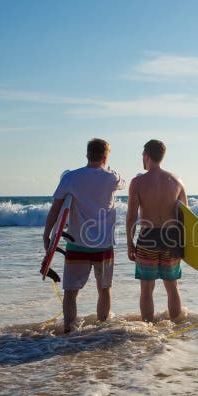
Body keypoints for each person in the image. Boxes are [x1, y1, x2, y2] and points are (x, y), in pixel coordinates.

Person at [43, 138, 125, 333]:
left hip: (76, 244)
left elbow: (55, 210)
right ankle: (101, 330)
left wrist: (47, 236)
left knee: (71, 293)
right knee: (104, 290)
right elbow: (122, 182)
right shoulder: (111, 178)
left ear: (87, 154)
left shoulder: (70, 178)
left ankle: (69, 331)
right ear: (105, 157)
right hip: (103, 245)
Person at [126, 139, 187, 322]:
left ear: (146, 156)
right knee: (172, 286)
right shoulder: (177, 181)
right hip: (171, 238)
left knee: (146, 288)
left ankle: (147, 330)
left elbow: (131, 217)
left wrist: (130, 244)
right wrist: (184, 246)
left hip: (148, 238)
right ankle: (177, 329)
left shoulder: (137, 182)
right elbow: (185, 218)